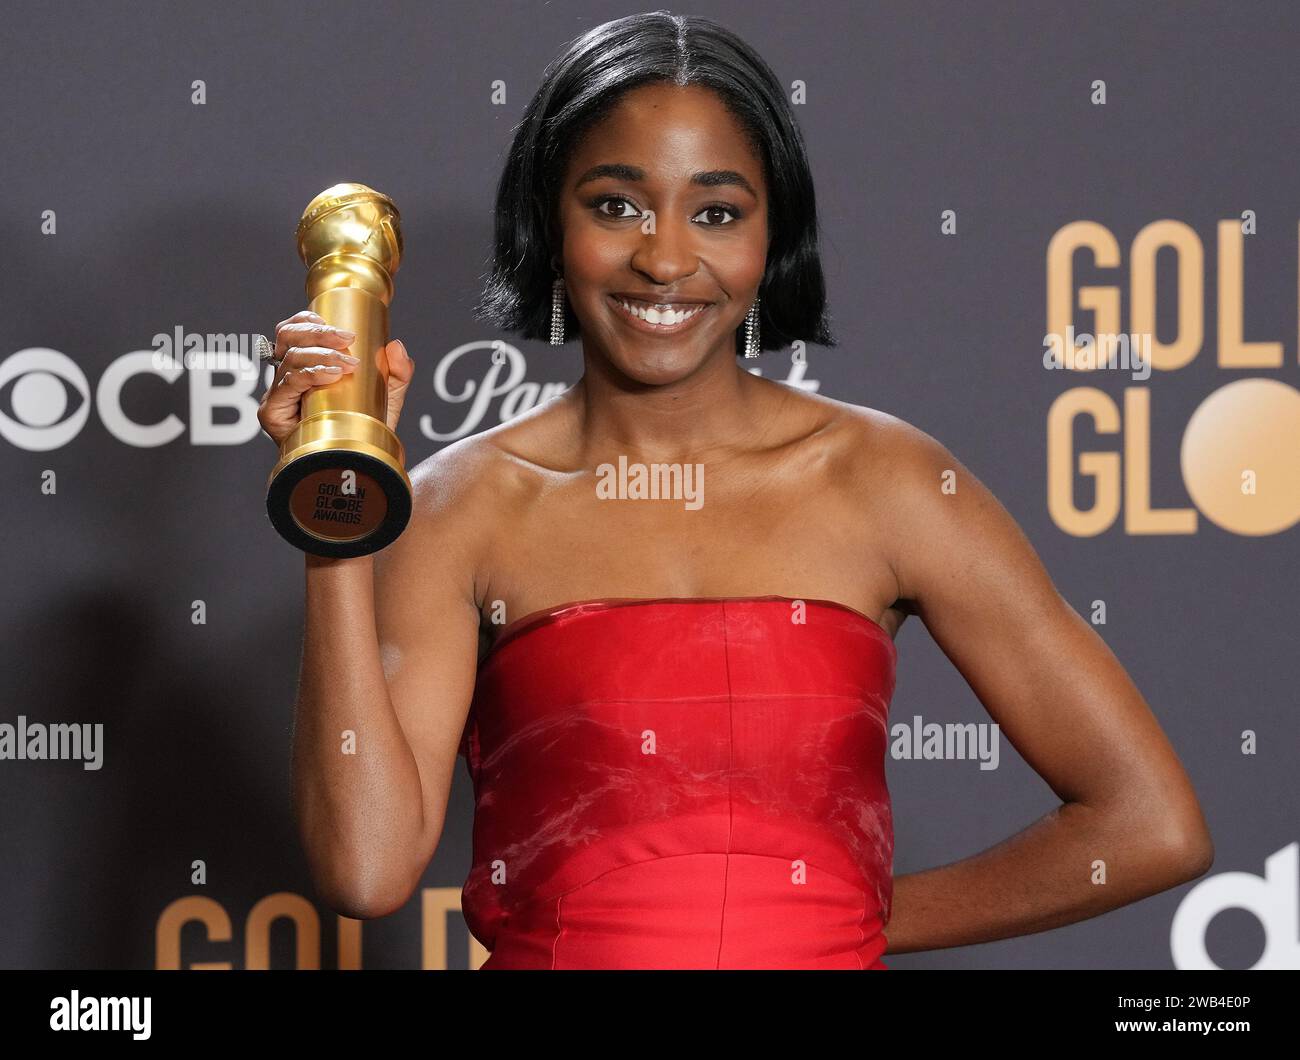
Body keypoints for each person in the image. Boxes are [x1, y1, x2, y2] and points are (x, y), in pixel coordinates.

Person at [256, 11, 1213, 969]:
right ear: (551, 221)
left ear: (772, 233)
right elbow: (367, 869)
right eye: (615, 205)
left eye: (716, 212)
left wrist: (848, 918)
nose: (666, 260)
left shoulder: (893, 483)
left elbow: (1148, 823)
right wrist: (337, 493)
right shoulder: (461, 504)